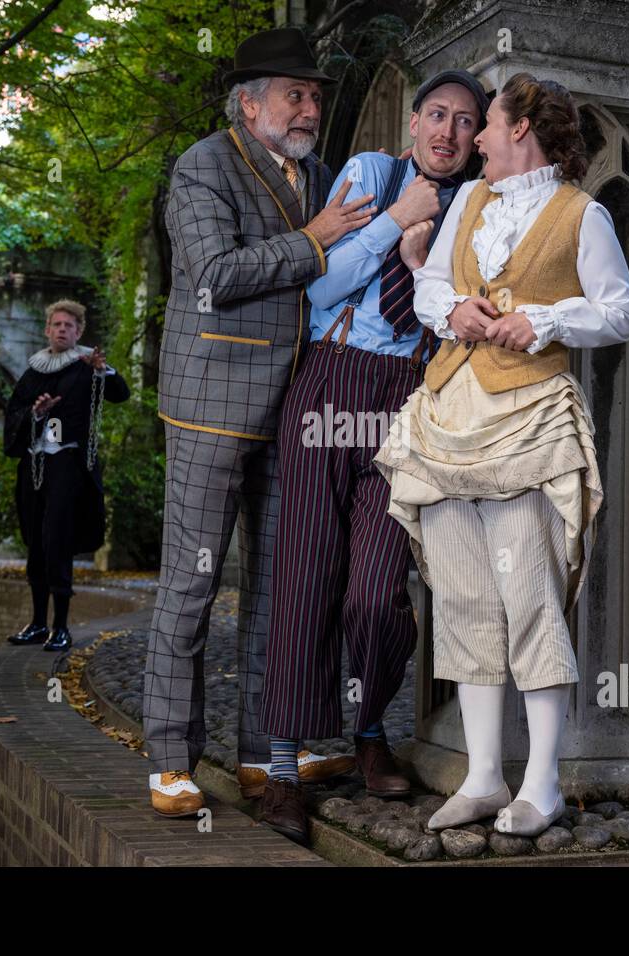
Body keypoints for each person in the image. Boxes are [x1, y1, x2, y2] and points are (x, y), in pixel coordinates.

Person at [373, 73, 629, 838]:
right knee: (461, 596)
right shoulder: (468, 203)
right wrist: (452, 306)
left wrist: (546, 319)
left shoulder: (580, 215)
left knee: (529, 595)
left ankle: (544, 783)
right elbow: (428, 288)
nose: (476, 139)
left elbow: (619, 310)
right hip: (450, 415)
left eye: (487, 123)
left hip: (528, 421)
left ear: (520, 126)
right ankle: (485, 776)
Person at [143, 27, 373, 818]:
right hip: (211, 406)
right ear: (249, 104)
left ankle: (258, 758)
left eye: (314, 96)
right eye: (294, 94)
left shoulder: (320, 176)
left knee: (281, 594)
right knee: (193, 586)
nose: (309, 108)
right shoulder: (203, 165)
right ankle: (171, 761)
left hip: (296, 408)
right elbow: (213, 276)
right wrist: (314, 241)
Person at [256, 70, 490, 844]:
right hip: (332, 381)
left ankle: (368, 729)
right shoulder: (370, 175)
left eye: (465, 121)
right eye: (436, 115)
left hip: (409, 399)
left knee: (377, 591)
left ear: (478, 136)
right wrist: (396, 220)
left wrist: (428, 258)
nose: (447, 132)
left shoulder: (480, 216)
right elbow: (321, 291)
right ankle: (284, 774)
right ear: (413, 121)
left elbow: (465, 324)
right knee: (305, 577)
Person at [4, 300, 131, 652]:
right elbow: (13, 414)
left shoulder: (88, 365)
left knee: (56, 539)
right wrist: (36, 413)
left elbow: (121, 394)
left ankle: (60, 626)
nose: (62, 329)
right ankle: (37, 623)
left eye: (69, 326)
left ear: (79, 332)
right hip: (34, 464)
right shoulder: (33, 371)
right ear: (47, 329)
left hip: (67, 464)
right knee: (35, 541)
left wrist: (104, 371)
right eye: (56, 324)